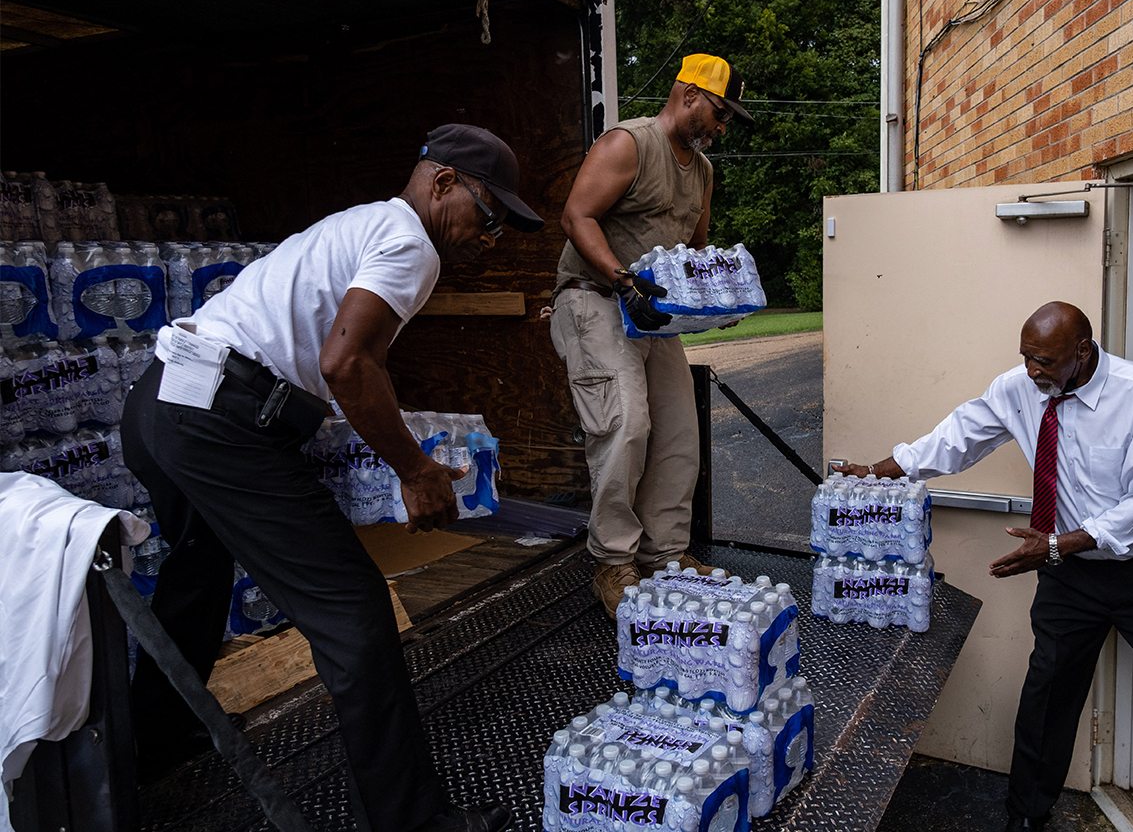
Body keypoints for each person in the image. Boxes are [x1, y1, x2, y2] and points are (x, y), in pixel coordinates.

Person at [121, 124, 543, 832]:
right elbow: (348, 363)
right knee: (354, 611)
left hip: (160, 404)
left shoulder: (362, 224)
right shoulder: (410, 243)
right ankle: (409, 822)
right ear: (443, 183)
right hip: (218, 422)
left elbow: (337, 358)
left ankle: (155, 743)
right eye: (488, 215)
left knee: (197, 570)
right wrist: (415, 470)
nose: (490, 237)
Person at [838, 302, 1133, 832]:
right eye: (1026, 357)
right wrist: (876, 471)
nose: (1032, 371)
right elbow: (957, 437)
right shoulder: (1020, 386)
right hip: (1071, 575)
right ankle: (1026, 818)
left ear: (1083, 351)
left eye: (1045, 361)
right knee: (1047, 696)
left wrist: (1055, 546)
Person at [550, 53, 754, 618]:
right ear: (689, 95)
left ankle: (664, 555)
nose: (722, 127)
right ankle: (613, 560)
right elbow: (576, 217)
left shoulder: (703, 172)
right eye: (719, 113)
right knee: (627, 423)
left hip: (653, 316)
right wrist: (622, 279)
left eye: (729, 119)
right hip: (595, 298)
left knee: (679, 432)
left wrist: (715, 300)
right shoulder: (629, 145)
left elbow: (694, 252)